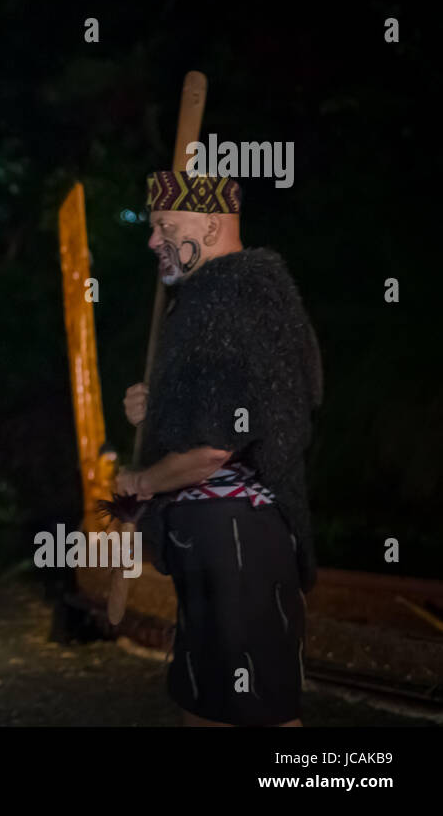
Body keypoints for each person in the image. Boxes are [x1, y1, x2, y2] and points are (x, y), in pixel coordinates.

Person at [112, 171, 321, 727]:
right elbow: (216, 403)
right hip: (214, 540)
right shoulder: (213, 295)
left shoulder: (235, 293)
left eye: (164, 226)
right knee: (204, 703)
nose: (153, 241)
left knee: (259, 712)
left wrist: (142, 481)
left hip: (238, 539)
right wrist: (157, 407)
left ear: (210, 223)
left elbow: (215, 446)